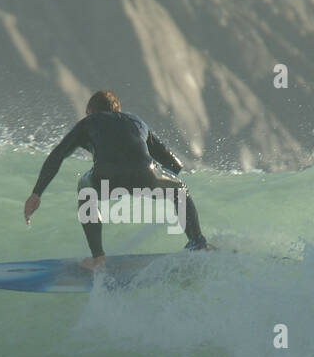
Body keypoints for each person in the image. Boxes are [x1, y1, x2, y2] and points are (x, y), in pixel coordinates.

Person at [23, 90, 210, 269]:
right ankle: (198, 243)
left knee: (85, 187)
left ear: (89, 111)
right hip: (146, 174)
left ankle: (98, 258)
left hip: (106, 176)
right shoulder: (136, 122)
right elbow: (174, 164)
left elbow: (58, 155)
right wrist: (148, 187)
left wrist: (36, 193)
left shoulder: (89, 122)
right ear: (117, 111)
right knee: (179, 191)